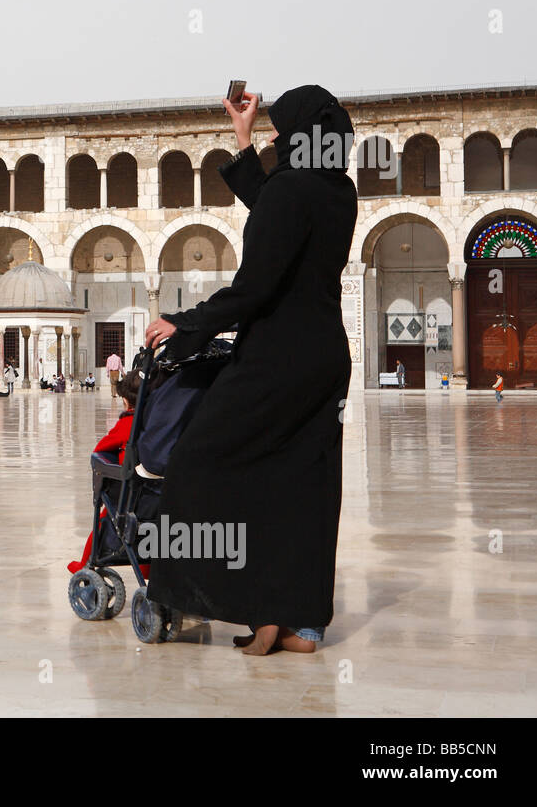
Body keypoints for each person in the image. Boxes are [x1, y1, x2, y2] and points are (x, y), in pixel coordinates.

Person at [142, 85, 357, 655]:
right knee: (303, 487)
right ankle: (299, 622)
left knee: (198, 461)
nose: (273, 137)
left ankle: (230, 600)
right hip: (325, 358)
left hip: (276, 358)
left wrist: (184, 325)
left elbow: (255, 287)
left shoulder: (291, 189)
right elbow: (284, 218)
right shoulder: (338, 189)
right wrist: (243, 140)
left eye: (278, 131)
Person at [68, 374, 142, 574]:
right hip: (160, 494)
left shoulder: (128, 424)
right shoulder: (161, 425)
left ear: (126, 401)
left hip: (129, 495)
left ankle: (85, 564)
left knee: (104, 520)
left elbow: (100, 450)